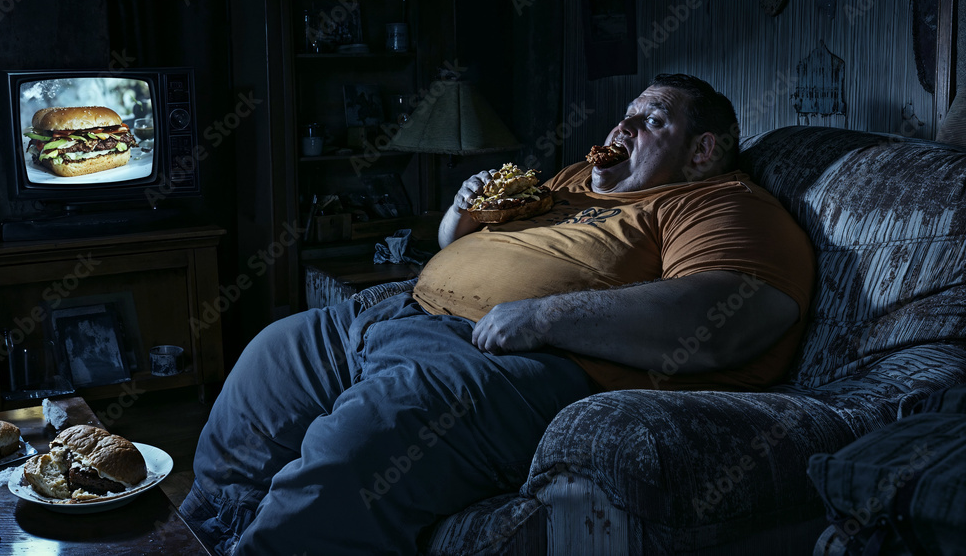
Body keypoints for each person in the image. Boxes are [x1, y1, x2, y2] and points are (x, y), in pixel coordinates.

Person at [180, 73, 815, 555]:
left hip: (507, 359)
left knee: (356, 445)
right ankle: (209, 535)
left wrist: (544, 318)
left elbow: (726, 314)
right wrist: (459, 218)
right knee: (272, 355)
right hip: (398, 316)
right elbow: (468, 251)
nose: (620, 130)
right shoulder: (569, 181)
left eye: (649, 122)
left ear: (704, 149)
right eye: (624, 115)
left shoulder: (718, 204)